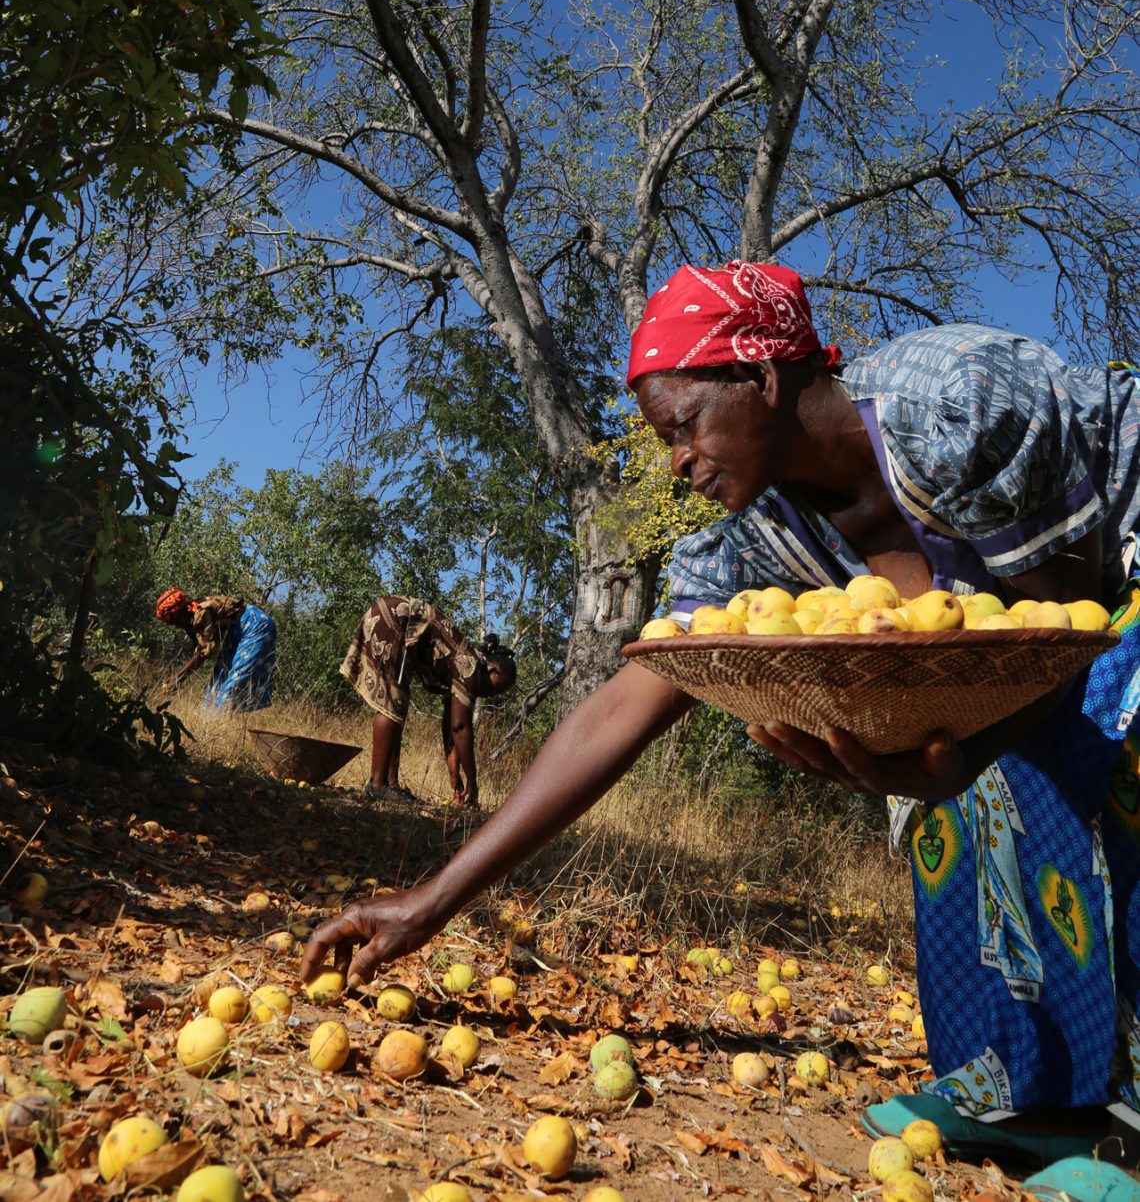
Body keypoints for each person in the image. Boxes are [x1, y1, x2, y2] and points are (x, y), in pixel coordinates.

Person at [301, 262, 1140, 1202]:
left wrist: (963, 759)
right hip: (1027, 649)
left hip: (1114, 573)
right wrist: (432, 901)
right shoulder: (748, 537)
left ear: (764, 379)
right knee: (945, 805)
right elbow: (631, 699)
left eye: (685, 425)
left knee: (1103, 745)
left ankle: (1125, 1124)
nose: (678, 463)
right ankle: (1026, 1094)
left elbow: (1061, 634)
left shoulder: (958, 402)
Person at [340, 594, 517, 806]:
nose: (490, 695)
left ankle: (390, 784)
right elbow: (460, 727)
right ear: (492, 670)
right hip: (395, 619)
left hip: (392, 616)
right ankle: (377, 785)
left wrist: (454, 775)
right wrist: (472, 780)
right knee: (391, 703)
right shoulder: (469, 665)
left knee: (398, 706)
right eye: (496, 688)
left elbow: (450, 727)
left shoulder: (465, 665)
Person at [156, 588, 276, 711]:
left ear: (181, 612)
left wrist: (178, 677)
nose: (175, 625)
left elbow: (204, 652)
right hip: (234, 634)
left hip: (255, 626)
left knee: (233, 684)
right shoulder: (190, 617)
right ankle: (207, 722)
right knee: (216, 686)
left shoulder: (200, 613)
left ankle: (219, 721)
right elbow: (197, 649)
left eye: (174, 621)